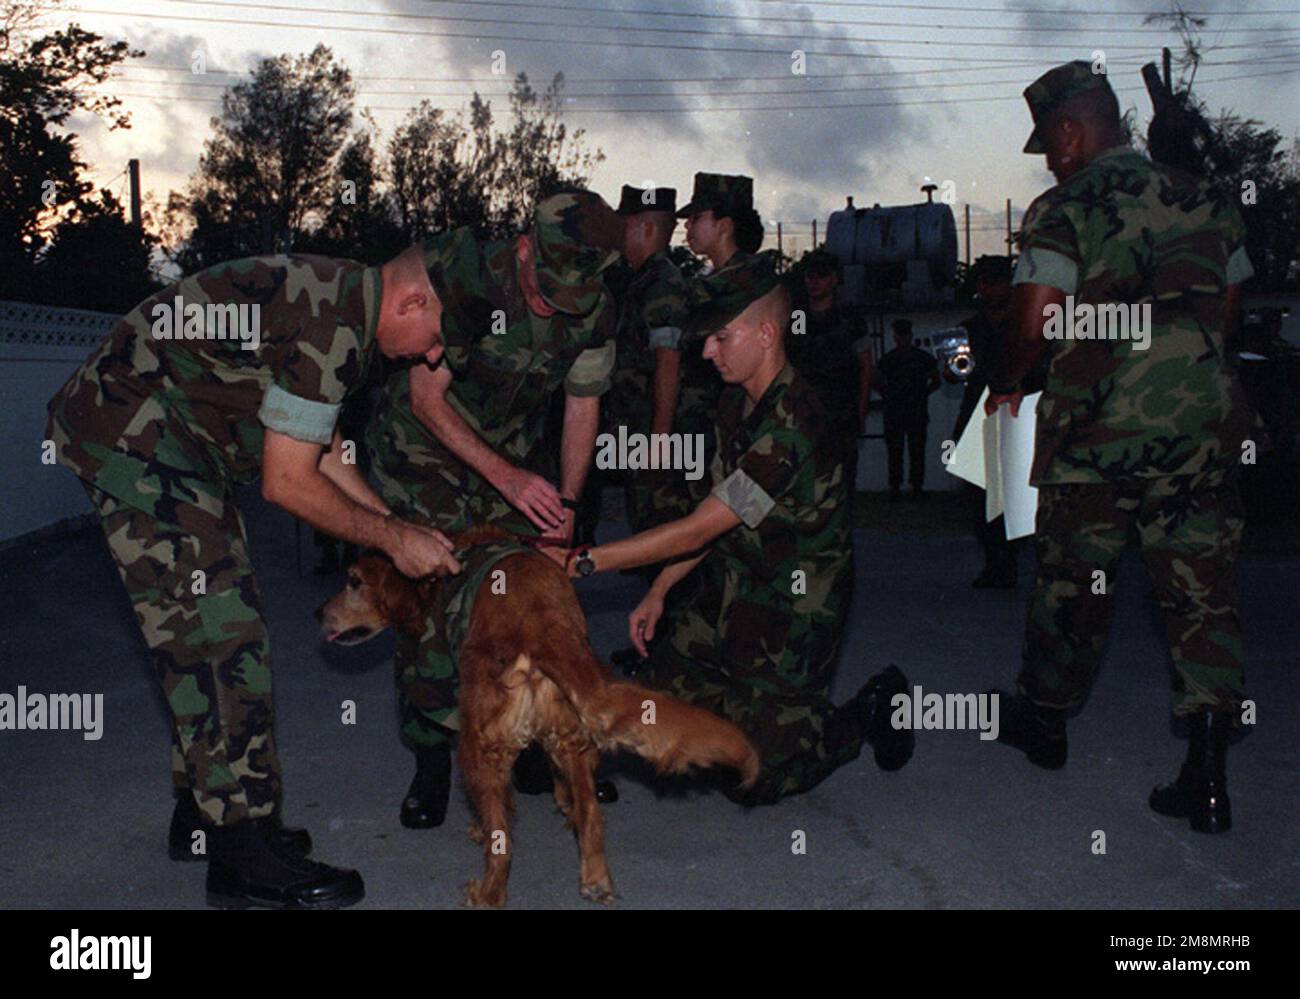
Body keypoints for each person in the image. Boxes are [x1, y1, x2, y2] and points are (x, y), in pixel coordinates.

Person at [45, 248, 462, 908]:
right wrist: (391, 537)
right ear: (412, 303)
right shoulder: (336, 324)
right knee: (222, 632)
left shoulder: (344, 304)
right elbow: (287, 481)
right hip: (133, 435)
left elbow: (320, 450)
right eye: (436, 338)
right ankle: (242, 854)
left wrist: (394, 525)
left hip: (161, 437)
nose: (432, 357)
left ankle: (206, 819)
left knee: (202, 629)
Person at [986, 61, 1256, 833]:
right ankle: (1206, 773)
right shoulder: (1204, 197)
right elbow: (1228, 309)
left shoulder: (1065, 207)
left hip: (1096, 438)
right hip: (1200, 432)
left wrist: (1007, 383)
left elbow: (1034, 322)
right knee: (1202, 596)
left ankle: (1044, 720)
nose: (1049, 160)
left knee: (1074, 586)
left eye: (1050, 146)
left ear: (1072, 132)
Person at [562, 254, 915, 805]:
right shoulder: (736, 403)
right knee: (658, 706)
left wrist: (587, 562)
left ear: (767, 333)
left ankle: (865, 713)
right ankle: (740, 700)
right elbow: (710, 517)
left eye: (720, 338)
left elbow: (697, 527)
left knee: (751, 778)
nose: (706, 351)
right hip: (736, 577)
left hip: (795, 606)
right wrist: (658, 590)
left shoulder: (794, 424)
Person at [365, 191, 623, 827]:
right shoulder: (471, 280)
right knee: (428, 601)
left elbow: (582, 406)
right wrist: (508, 480)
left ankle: (532, 747)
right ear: (525, 248)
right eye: (543, 292)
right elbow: (427, 400)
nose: (549, 308)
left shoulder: (595, 310)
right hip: (420, 448)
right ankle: (432, 760)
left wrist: (565, 501)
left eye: (568, 298)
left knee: (520, 598)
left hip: (508, 454)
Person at [608, 184, 693, 535]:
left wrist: (659, 437)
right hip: (638, 429)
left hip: (653, 434)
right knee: (648, 527)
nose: (617, 235)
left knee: (664, 529)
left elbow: (667, 357)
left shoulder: (662, 284)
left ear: (646, 228)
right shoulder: (643, 281)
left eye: (624, 226)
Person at [951, 255, 1020, 588]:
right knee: (979, 498)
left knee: (1019, 497)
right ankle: (996, 562)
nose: (986, 289)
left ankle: (1009, 561)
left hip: (1018, 414)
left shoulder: (1027, 326)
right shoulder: (969, 329)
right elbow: (955, 376)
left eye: (994, 281)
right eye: (982, 282)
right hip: (979, 417)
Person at [789, 248, 873, 498]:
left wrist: (861, 410)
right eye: (810, 276)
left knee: (842, 484)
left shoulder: (850, 318)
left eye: (821, 276)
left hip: (841, 414)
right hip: (804, 412)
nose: (814, 282)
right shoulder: (799, 316)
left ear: (834, 279)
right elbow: (790, 359)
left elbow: (866, 367)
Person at [875, 318, 940, 499]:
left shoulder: (888, 359)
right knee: (914, 450)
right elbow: (936, 381)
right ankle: (913, 487)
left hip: (899, 410)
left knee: (899, 451)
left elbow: (876, 382)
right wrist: (921, 393)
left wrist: (889, 395)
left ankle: (899, 487)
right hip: (913, 409)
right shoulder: (922, 358)